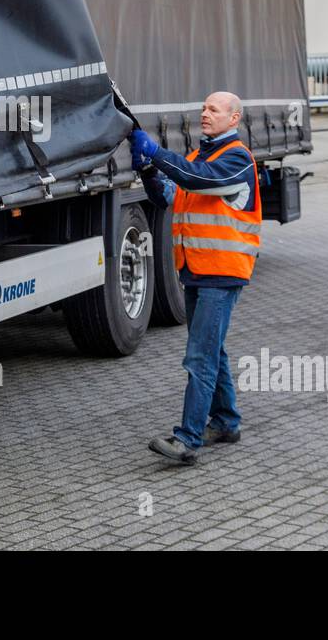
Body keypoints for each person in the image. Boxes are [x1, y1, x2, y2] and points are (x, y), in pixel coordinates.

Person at [131, 91, 261, 466]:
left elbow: (198, 181)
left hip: (222, 273)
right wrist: (149, 171)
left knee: (200, 355)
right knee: (211, 349)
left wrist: (156, 153)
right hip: (196, 270)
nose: (205, 114)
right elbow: (171, 195)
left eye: (214, 109)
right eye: (204, 108)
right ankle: (225, 422)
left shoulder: (236, 160)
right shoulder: (194, 158)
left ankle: (188, 439)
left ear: (233, 119)